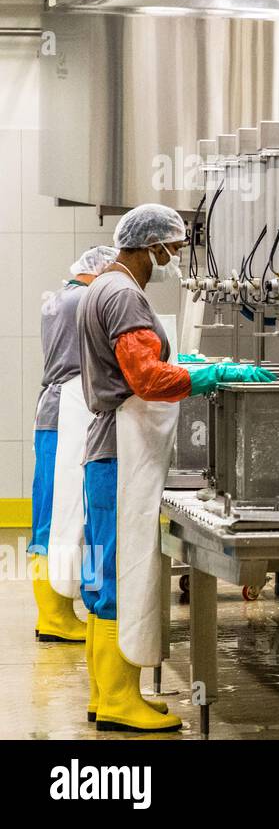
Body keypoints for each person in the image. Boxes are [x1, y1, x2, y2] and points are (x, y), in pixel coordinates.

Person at [77, 204, 277, 732]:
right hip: (123, 456)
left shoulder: (102, 286)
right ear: (151, 247)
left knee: (99, 573)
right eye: (174, 248)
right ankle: (120, 701)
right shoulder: (123, 294)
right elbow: (144, 378)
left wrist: (186, 365)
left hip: (103, 458)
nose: (176, 259)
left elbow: (137, 364)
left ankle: (105, 695)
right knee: (120, 572)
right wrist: (212, 374)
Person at [29, 245, 118, 644]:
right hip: (67, 413)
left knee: (50, 514)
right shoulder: (85, 300)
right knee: (60, 517)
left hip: (54, 414)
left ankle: (55, 611)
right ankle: (53, 616)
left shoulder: (61, 297)